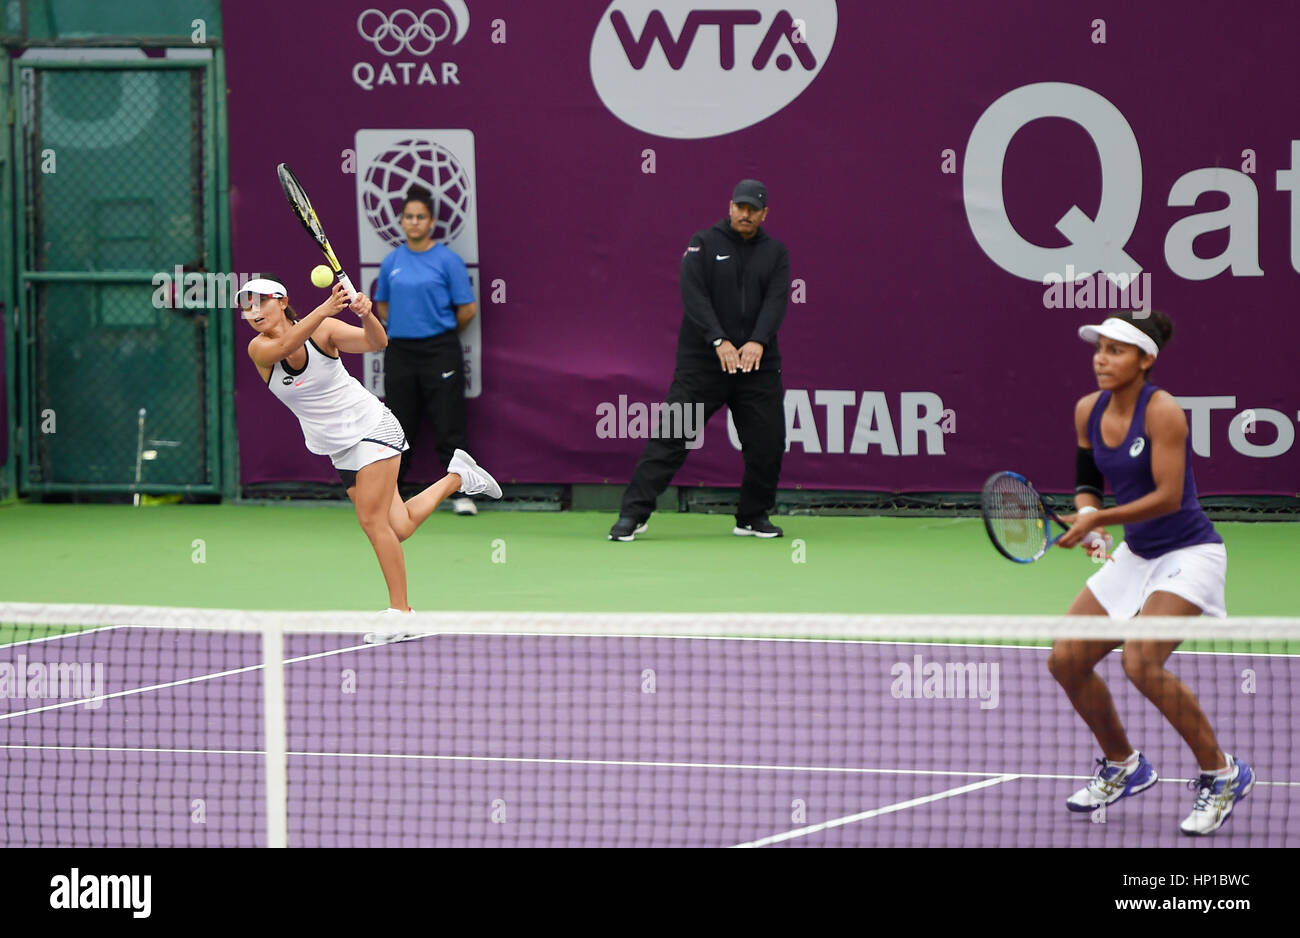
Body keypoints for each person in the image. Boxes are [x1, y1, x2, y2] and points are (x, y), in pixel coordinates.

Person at [1046, 311, 1252, 836]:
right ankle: (1124, 764)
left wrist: (1099, 518)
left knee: (1140, 660)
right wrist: (1091, 519)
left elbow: (1166, 496)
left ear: (1145, 360)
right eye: (1099, 348)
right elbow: (1087, 480)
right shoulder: (1087, 410)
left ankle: (1222, 773)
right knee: (1066, 659)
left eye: (1115, 350)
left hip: (1189, 553)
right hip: (1137, 554)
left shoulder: (1164, 413)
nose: (1101, 358)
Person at [240, 276, 500, 635]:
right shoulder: (259, 349)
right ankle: (459, 476)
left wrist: (366, 315)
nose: (253, 312)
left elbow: (378, 342)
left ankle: (401, 613)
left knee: (372, 522)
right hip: (338, 447)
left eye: (261, 302)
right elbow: (285, 346)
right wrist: (326, 307)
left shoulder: (326, 329)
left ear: (282, 302)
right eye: (246, 306)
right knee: (399, 526)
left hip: (372, 426)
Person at [609, 179, 790, 541]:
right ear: (730, 207)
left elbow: (776, 301)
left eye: (753, 209)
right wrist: (719, 340)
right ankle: (633, 514)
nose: (745, 214)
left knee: (767, 443)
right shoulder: (703, 243)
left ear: (764, 214)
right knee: (672, 436)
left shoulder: (775, 253)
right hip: (703, 365)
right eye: (740, 207)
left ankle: (752, 516)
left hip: (756, 366)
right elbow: (694, 297)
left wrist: (757, 341)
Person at [373, 184, 480, 515]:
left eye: (421, 217)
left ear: (431, 222)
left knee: (449, 421)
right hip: (400, 352)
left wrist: (436, 333)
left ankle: (461, 492)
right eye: (409, 217)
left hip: (441, 350)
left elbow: (467, 309)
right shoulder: (392, 261)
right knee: (398, 424)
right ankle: (390, 495)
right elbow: (382, 306)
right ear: (401, 222)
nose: (414, 222)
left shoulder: (448, 261)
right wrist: (407, 329)